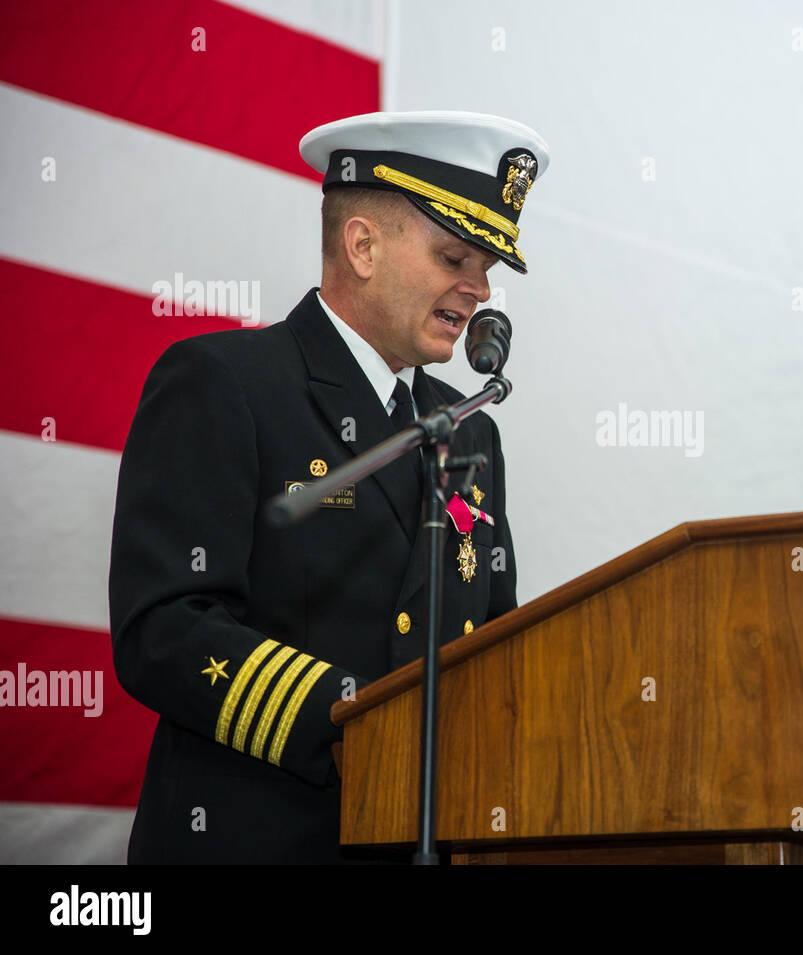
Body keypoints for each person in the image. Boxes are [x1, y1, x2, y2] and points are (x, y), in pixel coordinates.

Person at [108, 111, 550, 863]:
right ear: (363, 245)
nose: (478, 289)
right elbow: (165, 628)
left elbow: (493, 645)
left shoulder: (470, 430)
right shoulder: (225, 384)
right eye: (456, 256)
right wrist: (358, 716)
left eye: (486, 269)